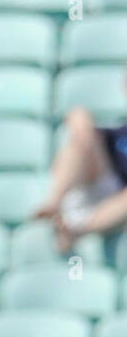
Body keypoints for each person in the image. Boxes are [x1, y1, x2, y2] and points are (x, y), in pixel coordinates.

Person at [33, 94, 127, 252]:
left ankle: (75, 230)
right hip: (91, 184)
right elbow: (78, 119)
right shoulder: (118, 134)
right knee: (80, 123)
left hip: (118, 203)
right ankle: (54, 203)